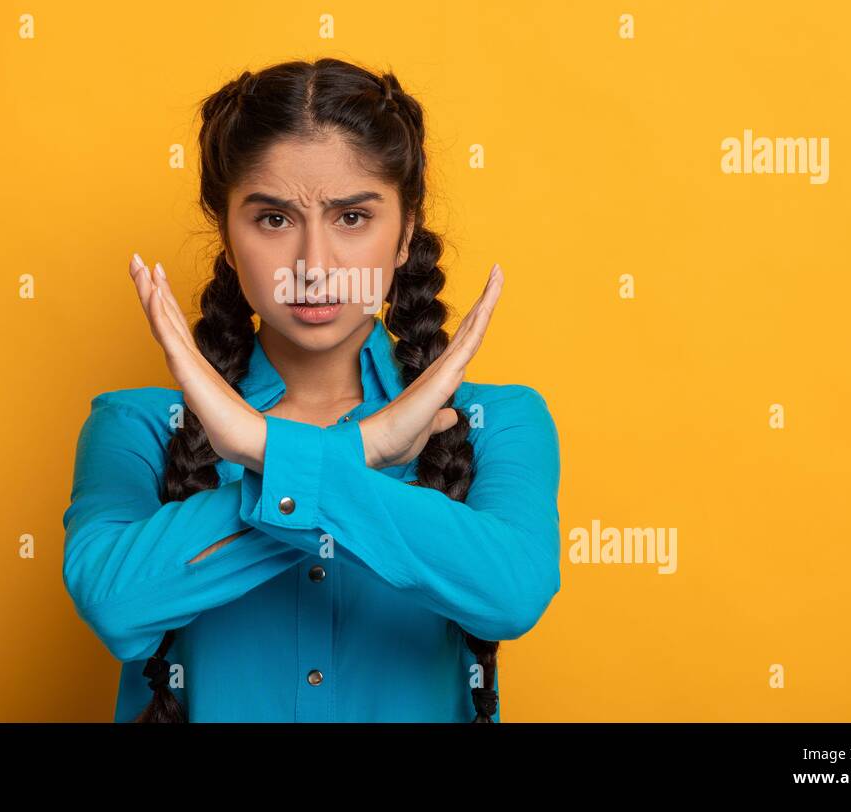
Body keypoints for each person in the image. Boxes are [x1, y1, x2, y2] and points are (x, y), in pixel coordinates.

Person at [62, 57, 561, 722]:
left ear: (406, 230)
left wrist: (263, 451)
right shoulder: (137, 427)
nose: (314, 266)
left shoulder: (495, 420)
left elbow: (511, 594)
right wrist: (366, 451)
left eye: (352, 218)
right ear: (226, 234)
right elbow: (114, 605)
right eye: (273, 220)